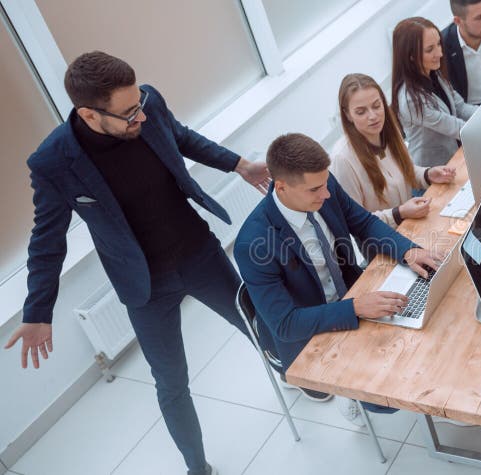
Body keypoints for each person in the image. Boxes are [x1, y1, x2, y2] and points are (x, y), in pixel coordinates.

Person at [2, 51, 271, 475]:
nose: (140, 116)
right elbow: (46, 241)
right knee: (172, 383)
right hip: (144, 288)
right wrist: (38, 311)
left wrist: (239, 164)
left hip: (198, 252)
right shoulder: (53, 163)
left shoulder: (148, 104)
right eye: (128, 114)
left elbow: (181, 137)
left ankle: (300, 378)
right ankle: (198, 468)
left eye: (140, 106)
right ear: (89, 115)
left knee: (261, 323)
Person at [234, 133, 442, 426]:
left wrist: (407, 251)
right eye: (315, 190)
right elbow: (285, 324)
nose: (327, 194)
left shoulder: (324, 184)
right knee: (388, 398)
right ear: (280, 187)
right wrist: (355, 308)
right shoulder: (253, 243)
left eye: (325, 183)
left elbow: (364, 221)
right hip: (309, 333)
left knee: (428, 324)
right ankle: (352, 396)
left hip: (351, 292)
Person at [331, 73, 456, 229]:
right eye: (361, 112)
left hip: (412, 224)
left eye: (376, 106)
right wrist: (399, 213)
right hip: (383, 243)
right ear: (348, 115)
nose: (373, 116)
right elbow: (356, 220)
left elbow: (405, 171)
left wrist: (428, 174)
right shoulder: (342, 159)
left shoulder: (388, 130)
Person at [392, 16, 478, 167]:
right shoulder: (409, 99)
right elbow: (454, 127)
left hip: (453, 160)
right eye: (430, 49)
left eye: (438, 44)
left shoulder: (434, 73)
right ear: (410, 56)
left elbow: (461, 107)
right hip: (433, 176)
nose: (440, 53)